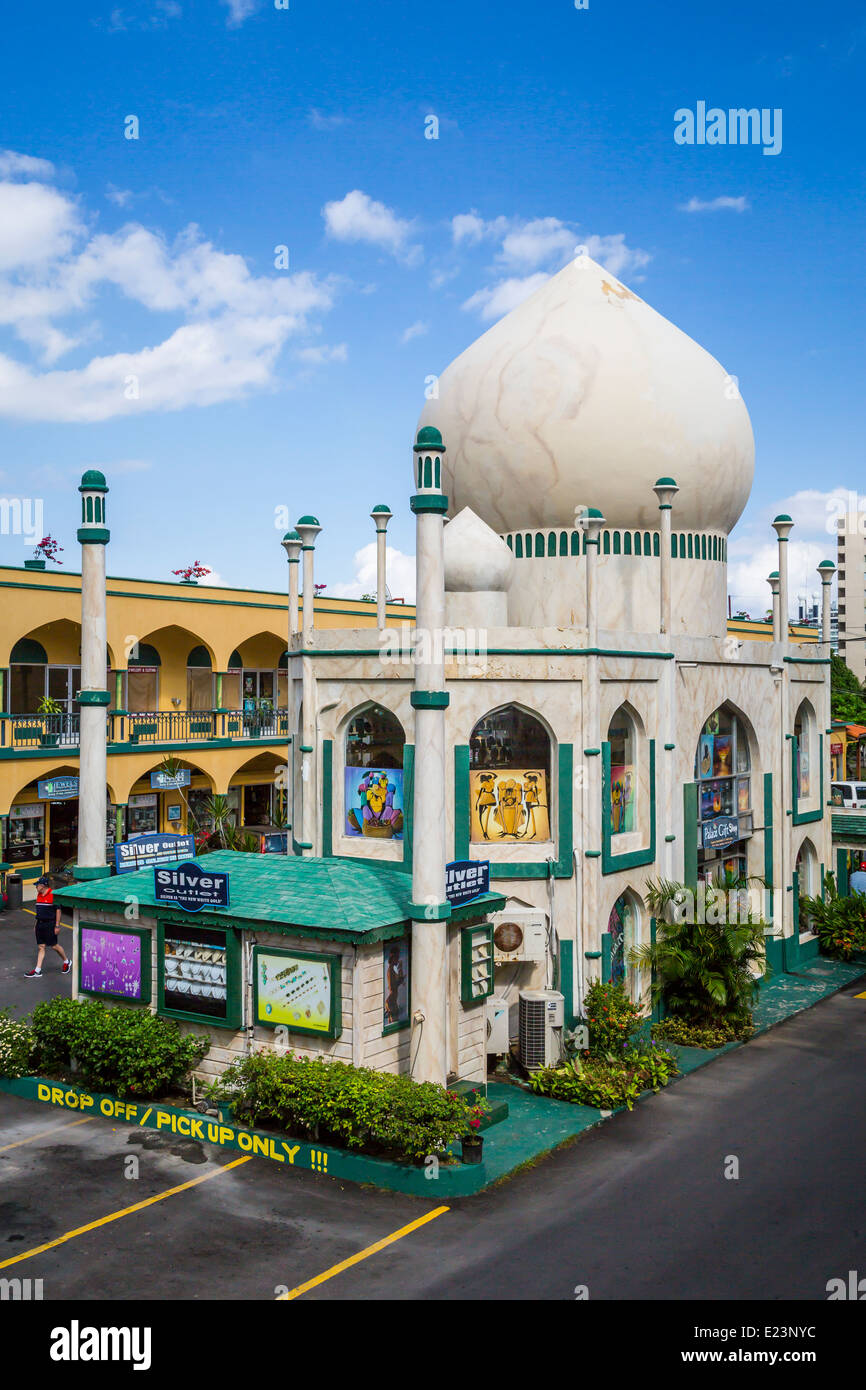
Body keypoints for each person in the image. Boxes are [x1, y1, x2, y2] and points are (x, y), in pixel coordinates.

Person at [24, 875, 71, 978]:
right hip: (40, 924)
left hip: (50, 924)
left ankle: (67, 961)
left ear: (43, 885)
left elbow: (58, 911)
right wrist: (36, 924)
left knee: (54, 945)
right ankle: (38, 970)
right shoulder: (39, 895)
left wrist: (57, 926)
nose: (36, 887)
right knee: (41, 946)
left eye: (37, 885)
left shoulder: (52, 895)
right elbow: (39, 911)